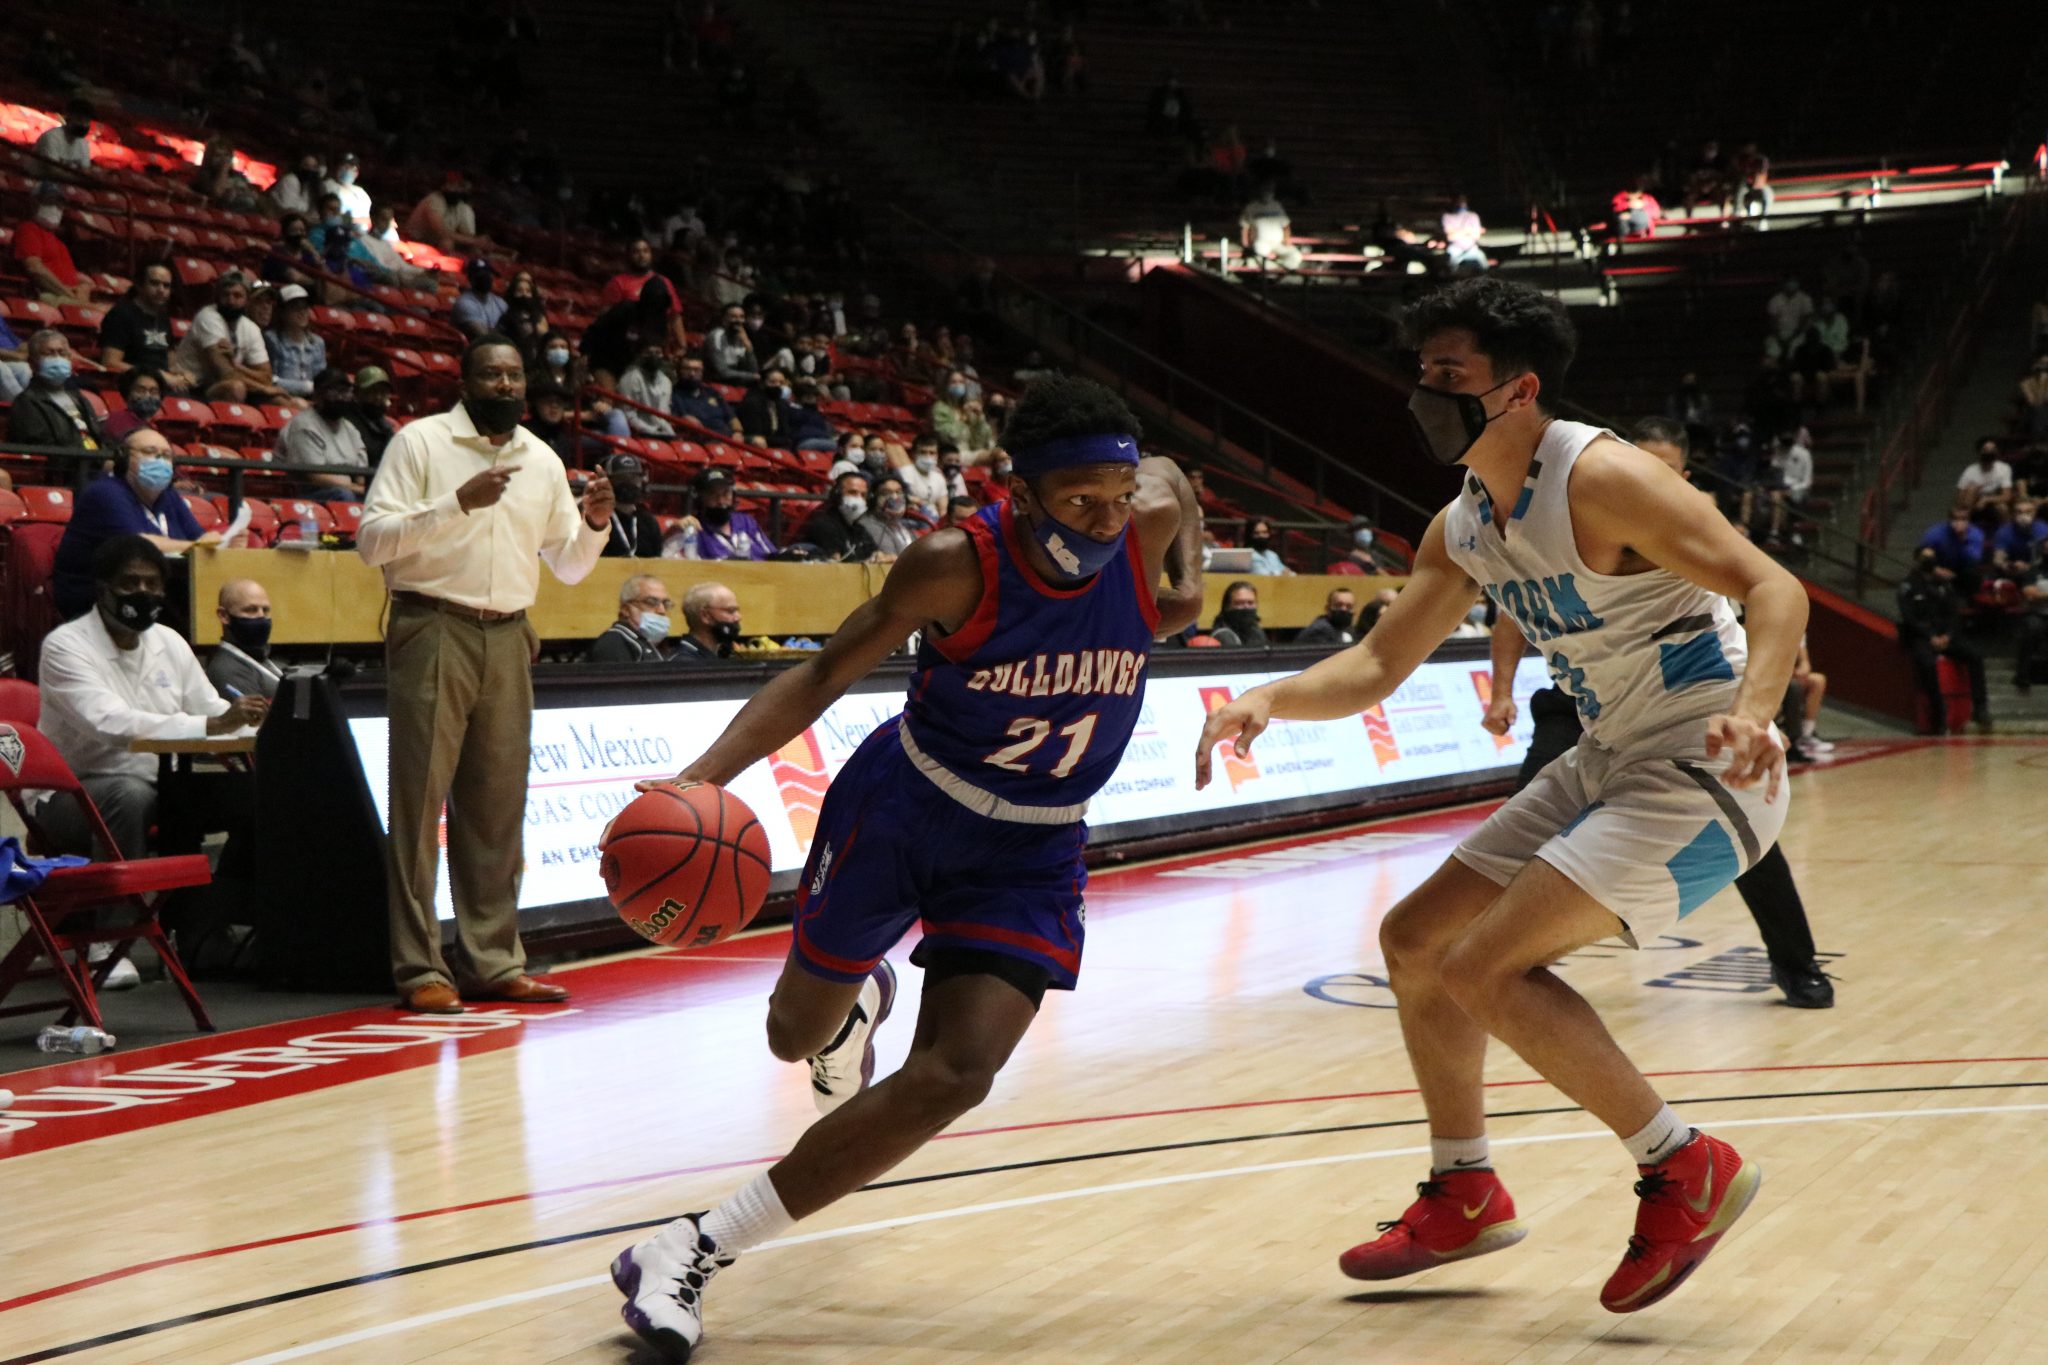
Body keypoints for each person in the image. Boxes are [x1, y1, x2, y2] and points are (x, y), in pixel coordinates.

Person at [1198, 277, 1806, 1313]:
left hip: (1700, 767)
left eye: (1449, 375)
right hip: (1610, 751)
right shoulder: (1465, 522)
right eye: (1421, 372)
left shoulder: (1601, 475)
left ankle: (1679, 1165)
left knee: (1484, 964)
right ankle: (1464, 1187)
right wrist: (1267, 697)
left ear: (1517, 390)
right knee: (1415, 941)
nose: (1423, 392)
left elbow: (1772, 587)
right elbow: (1377, 665)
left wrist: (1755, 711)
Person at [609, 375, 1203, 1358]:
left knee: (956, 1075)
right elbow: (819, 671)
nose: (1103, 520)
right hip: (903, 808)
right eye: (1076, 503)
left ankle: (691, 1249)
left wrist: (1161, 555)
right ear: (1021, 493)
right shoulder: (949, 565)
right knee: (789, 1035)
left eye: (1117, 497)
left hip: (1032, 844)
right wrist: (699, 779)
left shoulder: (1148, 520)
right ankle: (848, 1011)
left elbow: (1174, 572)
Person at [1481, 416, 1833, 1007]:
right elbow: (1515, 611)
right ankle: (1500, 950)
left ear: (1683, 478)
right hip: (1582, 704)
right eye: (1637, 462)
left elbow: (1774, 591)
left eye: (1664, 469)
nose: (1645, 477)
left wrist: (1753, 711)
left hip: (1676, 709)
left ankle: (1796, 964)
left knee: (1747, 839)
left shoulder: (1688, 528)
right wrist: (1500, 691)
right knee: (1522, 818)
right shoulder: (1572, 516)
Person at [356, 333, 615, 1014]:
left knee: (499, 806)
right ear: (465, 382)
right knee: (420, 806)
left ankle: (494, 959)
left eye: (513, 375)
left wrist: (593, 523)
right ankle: (420, 968)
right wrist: (454, 505)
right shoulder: (421, 443)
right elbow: (370, 541)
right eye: (490, 374)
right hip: (432, 623)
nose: (503, 385)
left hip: (510, 633)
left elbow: (567, 565)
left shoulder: (543, 458)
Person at [36, 536, 269, 989]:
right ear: (102, 588)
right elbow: (113, 724)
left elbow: (214, 711)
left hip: (165, 784)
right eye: (129, 583)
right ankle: (111, 938)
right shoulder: (65, 647)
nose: (142, 593)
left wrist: (263, 730)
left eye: (152, 583)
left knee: (254, 798)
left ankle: (210, 931)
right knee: (129, 793)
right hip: (75, 795)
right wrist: (212, 725)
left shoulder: (169, 642)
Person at [51, 427, 220, 617]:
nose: (160, 461)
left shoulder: (168, 496)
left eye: (166, 455)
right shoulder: (104, 493)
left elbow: (197, 537)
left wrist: (221, 542)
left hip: (156, 594)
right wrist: (197, 546)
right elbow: (138, 544)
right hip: (99, 601)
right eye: (149, 452)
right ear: (123, 459)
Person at [1897, 545, 1989, 734]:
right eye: (1925, 558)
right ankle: (1938, 712)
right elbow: (1910, 617)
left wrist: (1947, 635)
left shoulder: (1943, 585)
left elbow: (1953, 614)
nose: (1929, 561)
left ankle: (1980, 708)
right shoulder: (1908, 585)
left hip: (1946, 636)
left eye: (1932, 557)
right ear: (1916, 560)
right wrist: (1930, 637)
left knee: (1975, 656)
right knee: (1927, 664)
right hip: (1922, 637)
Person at [171, 273, 290, 404]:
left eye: (237, 296)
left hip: (220, 386)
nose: (231, 301)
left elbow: (266, 377)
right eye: (226, 295)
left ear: (247, 300)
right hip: (192, 388)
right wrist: (264, 389)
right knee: (235, 388)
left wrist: (235, 365)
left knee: (281, 401)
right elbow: (225, 374)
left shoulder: (250, 328)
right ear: (217, 297)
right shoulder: (208, 317)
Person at [98, 263, 196, 393]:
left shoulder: (163, 318)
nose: (161, 290)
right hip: (133, 386)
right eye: (154, 283)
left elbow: (170, 364)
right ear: (139, 285)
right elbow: (110, 362)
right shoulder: (121, 315)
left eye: (166, 286)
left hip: (162, 386)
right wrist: (157, 375)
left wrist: (183, 374)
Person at [275, 368, 370, 500]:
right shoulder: (304, 425)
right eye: (334, 391)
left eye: (345, 392)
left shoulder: (350, 429)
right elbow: (314, 476)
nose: (341, 397)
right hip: (307, 491)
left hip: (347, 488)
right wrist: (356, 489)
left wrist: (365, 489)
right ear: (317, 395)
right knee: (343, 495)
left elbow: (361, 474)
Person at [7, 329, 105, 454]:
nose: (57, 359)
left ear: (69, 358)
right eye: (49, 354)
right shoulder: (26, 403)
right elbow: (45, 450)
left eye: (62, 353)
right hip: (67, 469)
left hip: (95, 463)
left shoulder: (78, 397)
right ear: (32, 363)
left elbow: (99, 436)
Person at [206, 578, 284, 701]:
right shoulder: (228, 671)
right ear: (224, 615)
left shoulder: (258, 657)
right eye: (251, 610)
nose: (261, 617)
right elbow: (256, 719)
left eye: (265, 610)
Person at [685, 468, 776, 561]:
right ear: (700, 499)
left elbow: (772, 555)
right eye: (713, 494)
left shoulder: (746, 522)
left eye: (725, 494)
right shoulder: (693, 530)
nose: (720, 501)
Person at [586, 574, 675, 662]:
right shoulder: (613, 644)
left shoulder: (648, 642)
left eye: (666, 603)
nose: (662, 611)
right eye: (651, 602)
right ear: (626, 609)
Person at [800, 471, 882, 562]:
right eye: (853, 492)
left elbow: (876, 554)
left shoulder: (859, 529)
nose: (859, 499)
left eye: (863, 495)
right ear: (837, 495)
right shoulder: (824, 525)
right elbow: (836, 562)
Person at [263, 284, 327, 399]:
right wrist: (305, 387)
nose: (302, 313)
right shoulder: (271, 339)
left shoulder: (318, 343)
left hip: (311, 399)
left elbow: (321, 380)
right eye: (295, 308)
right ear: (282, 312)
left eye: (305, 307)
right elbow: (269, 379)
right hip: (281, 396)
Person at [599, 452, 665, 557]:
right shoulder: (599, 519)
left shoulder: (648, 521)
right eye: (622, 479)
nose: (629, 483)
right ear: (608, 482)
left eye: (634, 479)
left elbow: (657, 559)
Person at [405, 173, 485, 256]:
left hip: (436, 242)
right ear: (443, 186)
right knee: (447, 243)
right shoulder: (434, 200)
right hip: (416, 242)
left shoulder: (462, 207)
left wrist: (478, 243)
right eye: (453, 185)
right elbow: (441, 231)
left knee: (475, 249)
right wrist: (474, 241)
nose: (458, 189)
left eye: (460, 186)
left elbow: (468, 235)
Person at [669, 581, 743, 664]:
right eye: (730, 611)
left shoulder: (723, 654)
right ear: (705, 616)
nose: (739, 617)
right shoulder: (684, 663)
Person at [1917, 506, 1986, 595]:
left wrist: (1962, 539)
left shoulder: (1976, 534)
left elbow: (1974, 559)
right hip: (1939, 568)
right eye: (1955, 519)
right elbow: (1920, 554)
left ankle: (1969, 601)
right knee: (1925, 564)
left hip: (1963, 570)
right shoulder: (1935, 533)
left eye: (1963, 519)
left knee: (1974, 574)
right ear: (1949, 519)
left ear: (1968, 520)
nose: (1959, 522)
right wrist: (1935, 569)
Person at [671, 353, 739, 437]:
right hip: (701, 439)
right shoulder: (674, 394)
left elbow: (731, 416)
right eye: (687, 369)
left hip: (727, 437)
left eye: (696, 370)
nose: (692, 374)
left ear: (702, 372)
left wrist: (738, 432)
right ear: (679, 371)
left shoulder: (712, 392)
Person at [617, 343, 677, 437]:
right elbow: (628, 414)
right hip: (640, 432)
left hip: (662, 432)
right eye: (648, 352)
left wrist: (669, 433)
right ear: (640, 355)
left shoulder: (666, 381)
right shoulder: (631, 378)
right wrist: (651, 431)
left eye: (658, 353)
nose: (653, 356)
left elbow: (664, 413)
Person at [346, 366, 399, 468]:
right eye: (372, 391)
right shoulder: (348, 422)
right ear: (357, 393)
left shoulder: (384, 424)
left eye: (383, 392)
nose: (378, 397)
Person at [858, 473, 918, 557]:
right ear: (873, 499)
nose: (894, 498)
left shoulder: (903, 527)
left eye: (898, 492)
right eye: (886, 493)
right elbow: (891, 560)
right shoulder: (868, 525)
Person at [101, 367, 165, 446]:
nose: (148, 396)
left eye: (154, 392)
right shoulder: (118, 419)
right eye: (140, 391)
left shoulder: (153, 426)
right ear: (127, 394)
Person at [451, 259, 510, 340]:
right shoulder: (464, 303)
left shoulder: (500, 302)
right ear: (470, 279)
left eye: (487, 274)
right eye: (480, 276)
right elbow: (484, 337)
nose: (485, 278)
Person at [898, 433, 950, 521]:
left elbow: (943, 510)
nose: (928, 456)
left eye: (932, 453)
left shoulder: (939, 478)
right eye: (923, 452)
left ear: (937, 456)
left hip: (934, 521)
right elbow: (906, 500)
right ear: (913, 454)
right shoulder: (904, 473)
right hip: (911, 519)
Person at [704, 303, 760, 384]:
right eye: (733, 317)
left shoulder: (742, 338)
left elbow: (754, 371)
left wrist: (749, 347)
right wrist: (751, 376)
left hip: (736, 383)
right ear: (724, 319)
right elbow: (722, 372)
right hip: (714, 382)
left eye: (741, 317)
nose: (738, 320)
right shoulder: (717, 335)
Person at [33, 98, 95, 170]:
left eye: (87, 121)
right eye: (79, 119)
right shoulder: (52, 137)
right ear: (68, 118)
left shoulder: (83, 144)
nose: (84, 125)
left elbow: (85, 170)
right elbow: (52, 170)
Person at [1956, 441, 2014, 513]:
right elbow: (1960, 499)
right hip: (1974, 501)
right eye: (1985, 450)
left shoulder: (2004, 468)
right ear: (1979, 452)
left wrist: (1986, 499)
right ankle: (1966, 520)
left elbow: (2007, 496)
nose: (1989, 452)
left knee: (2003, 508)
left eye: (1993, 450)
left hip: (1994, 499)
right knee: (1972, 488)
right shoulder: (1970, 471)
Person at [1209, 580, 1267, 647]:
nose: (1246, 607)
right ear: (1227, 607)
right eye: (1239, 603)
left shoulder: (1256, 632)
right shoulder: (1223, 636)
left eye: (1250, 603)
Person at [325, 151, 372, 231]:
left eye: (352, 168)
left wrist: (352, 220)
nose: (347, 170)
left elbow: (367, 221)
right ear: (337, 168)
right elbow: (334, 216)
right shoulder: (328, 185)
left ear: (357, 173)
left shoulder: (361, 192)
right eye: (344, 166)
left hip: (359, 235)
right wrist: (354, 220)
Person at [1441, 195, 1487, 274]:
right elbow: (1450, 237)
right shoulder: (1447, 217)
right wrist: (1469, 230)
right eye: (1459, 202)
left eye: (1463, 202)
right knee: (1451, 269)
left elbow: (1476, 236)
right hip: (1455, 249)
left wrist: (1457, 232)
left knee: (1484, 266)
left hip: (1472, 249)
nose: (1461, 204)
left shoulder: (1473, 216)